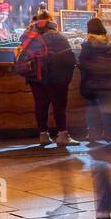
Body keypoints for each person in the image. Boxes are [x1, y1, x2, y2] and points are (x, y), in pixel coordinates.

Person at [15, 11, 77, 146]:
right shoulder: (57, 36)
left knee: (40, 105)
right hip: (54, 76)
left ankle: (43, 135)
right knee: (59, 105)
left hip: (34, 76)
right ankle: (62, 135)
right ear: (50, 21)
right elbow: (68, 57)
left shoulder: (29, 36)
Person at [77, 17, 111, 143]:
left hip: (91, 81)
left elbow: (82, 62)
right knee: (106, 107)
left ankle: (93, 133)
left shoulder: (87, 44)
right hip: (107, 80)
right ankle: (108, 132)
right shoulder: (110, 44)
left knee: (92, 107)